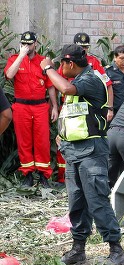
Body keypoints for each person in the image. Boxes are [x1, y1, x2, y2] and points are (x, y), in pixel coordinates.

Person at [40, 44, 124, 265]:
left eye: (60, 64)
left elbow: (66, 90)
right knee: (76, 202)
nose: (59, 67)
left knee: (97, 200)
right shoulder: (78, 81)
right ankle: (78, 249)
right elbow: (75, 114)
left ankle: (116, 249)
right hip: (74, 151)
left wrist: (48, 69)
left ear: (70, 64)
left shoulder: (89, 80)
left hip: (91, 152)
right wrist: (62, 136)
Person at [54, 32, 115, 184]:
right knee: (76, 189)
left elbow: (108, 85)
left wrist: (110, 108)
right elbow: (58, 85)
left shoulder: (93, 64)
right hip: (72, 117)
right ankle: (62, 178)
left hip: (89, 130)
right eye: (80, 47)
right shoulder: (67, 65)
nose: (84, 51)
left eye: (85, 47)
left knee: (93, 192)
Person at [4, 31, 58, 188]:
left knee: (42, 142)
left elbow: (50, 86)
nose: (27, 46)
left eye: (29, 44)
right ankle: (27, 174)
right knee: (24, 141)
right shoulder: (14, 59)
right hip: (21, 106)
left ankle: (43, 175)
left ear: (36, 44)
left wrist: (54, 106)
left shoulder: (43, 61)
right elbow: (9, 74)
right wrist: (21, 55)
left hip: (40, 106)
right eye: (24, 44)